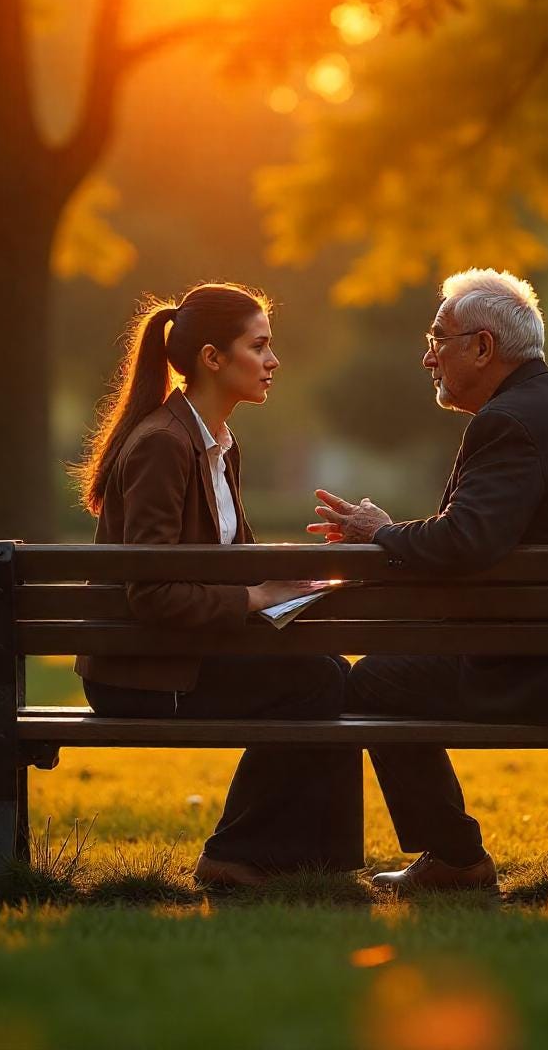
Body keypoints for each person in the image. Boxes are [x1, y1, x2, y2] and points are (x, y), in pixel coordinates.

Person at [308, 267, 548, 893]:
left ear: (483, 347)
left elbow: (465, 540)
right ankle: (451, 856)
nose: (427, 355)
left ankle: (455, 858)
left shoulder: (510, 421)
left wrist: (382, 532)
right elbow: (480, 537)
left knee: (373, 680)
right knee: (387, 672)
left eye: (438, 337)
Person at [72, 281, 363, 888]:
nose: (273, 361)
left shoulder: (217, 445)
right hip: (144, 676)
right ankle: (239, 855)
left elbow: (236, 557)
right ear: (212, 358)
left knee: (329, 670)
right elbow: (149, 592)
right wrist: (254, 598)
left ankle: (315, 865)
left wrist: (296, 579)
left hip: (185, 657)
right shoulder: (162, 447)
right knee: (316, 681)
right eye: (258, 347)